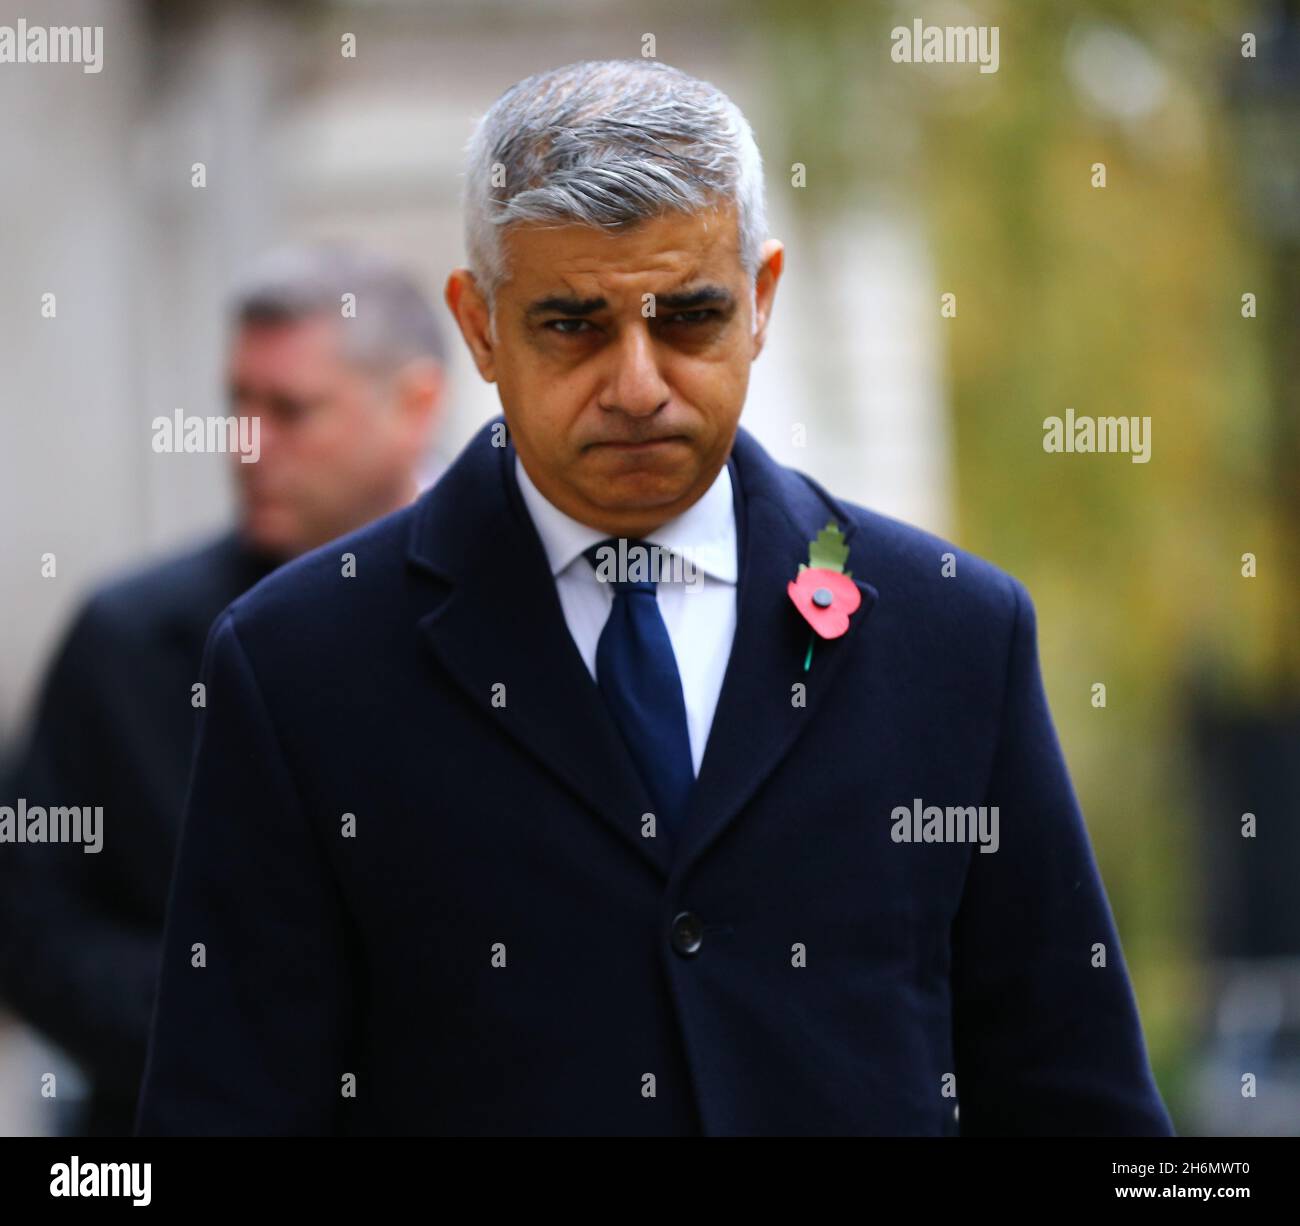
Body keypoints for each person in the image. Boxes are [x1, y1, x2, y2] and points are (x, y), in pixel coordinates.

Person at [135, 60, 1173, 1136]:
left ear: (762, 300)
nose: (637, 385)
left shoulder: (954, 633)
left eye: (689, 317)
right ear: (479, 325)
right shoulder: (299, 663)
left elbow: (1072, 1092)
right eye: (572, 325)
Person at [0, 242, 447, 1135]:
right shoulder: (128, 637)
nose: (247, 444)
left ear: (415, 406)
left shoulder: (519, 623)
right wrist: (223, 1034)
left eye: (289, 409)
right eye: (236, 404)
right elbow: (28, 914)